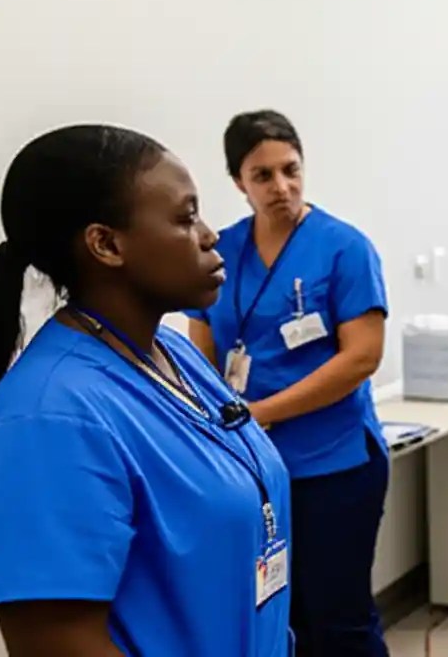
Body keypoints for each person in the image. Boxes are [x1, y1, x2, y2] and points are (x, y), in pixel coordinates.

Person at [0, 125, 292, 655]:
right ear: (105, 244)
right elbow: (57, 645)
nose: (209, 235)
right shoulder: (46, 422)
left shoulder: (175, 357)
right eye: (184, 216)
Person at [185, 110, 390, 657]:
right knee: (275, 615)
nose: (282, 187)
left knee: (337, 617)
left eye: (290, 170)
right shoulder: (220, 249)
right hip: (249, 469)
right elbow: (200, 345)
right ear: (238, 183)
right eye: (263, 176)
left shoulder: (344, 248)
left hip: (333, 465)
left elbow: (361, 359)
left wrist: (264, 411)